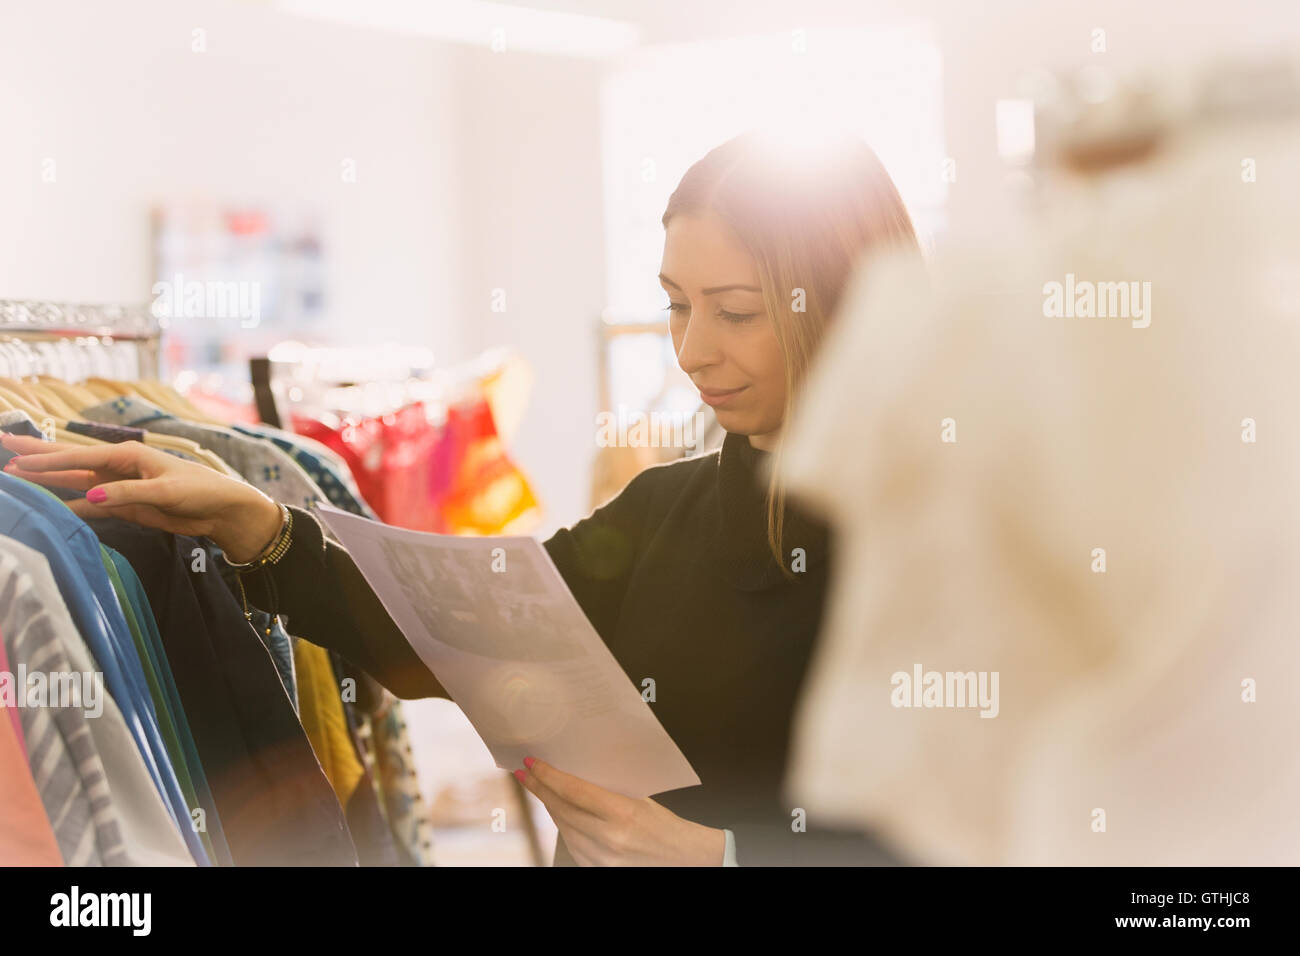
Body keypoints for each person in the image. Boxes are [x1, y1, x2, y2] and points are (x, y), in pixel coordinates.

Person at [2, 130, 920, 866]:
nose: (692, 350)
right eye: (676, 304)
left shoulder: (951, 539)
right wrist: (257, 522)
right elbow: (450, 633)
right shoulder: (669, 512)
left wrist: (723, 857)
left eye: (737, 311)